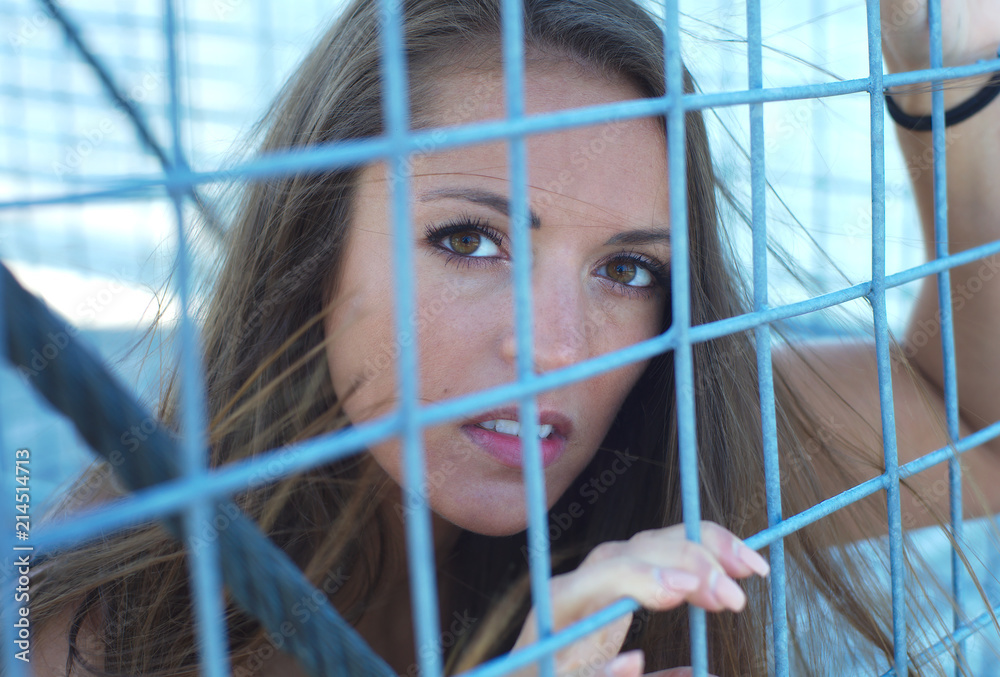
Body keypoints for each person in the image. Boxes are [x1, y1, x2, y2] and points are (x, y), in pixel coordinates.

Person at [31, 0, 1000, 675]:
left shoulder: (675, 422)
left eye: (627, 269)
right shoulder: (113, 608)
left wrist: (948, 65)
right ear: (315, 241)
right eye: (468, 238)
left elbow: (978, 430)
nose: (554, 348)